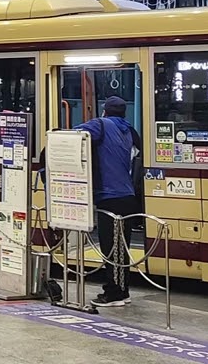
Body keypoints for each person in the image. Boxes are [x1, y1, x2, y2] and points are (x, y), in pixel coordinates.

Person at [77, 96, 139, 307]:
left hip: (109, 196)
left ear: (105, 111)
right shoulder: (130, 130)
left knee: (110, 247)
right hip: (128, 195)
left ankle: (113, 294)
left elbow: (74, 135)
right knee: (122, 246)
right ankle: (123, 291)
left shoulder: (99, 124)